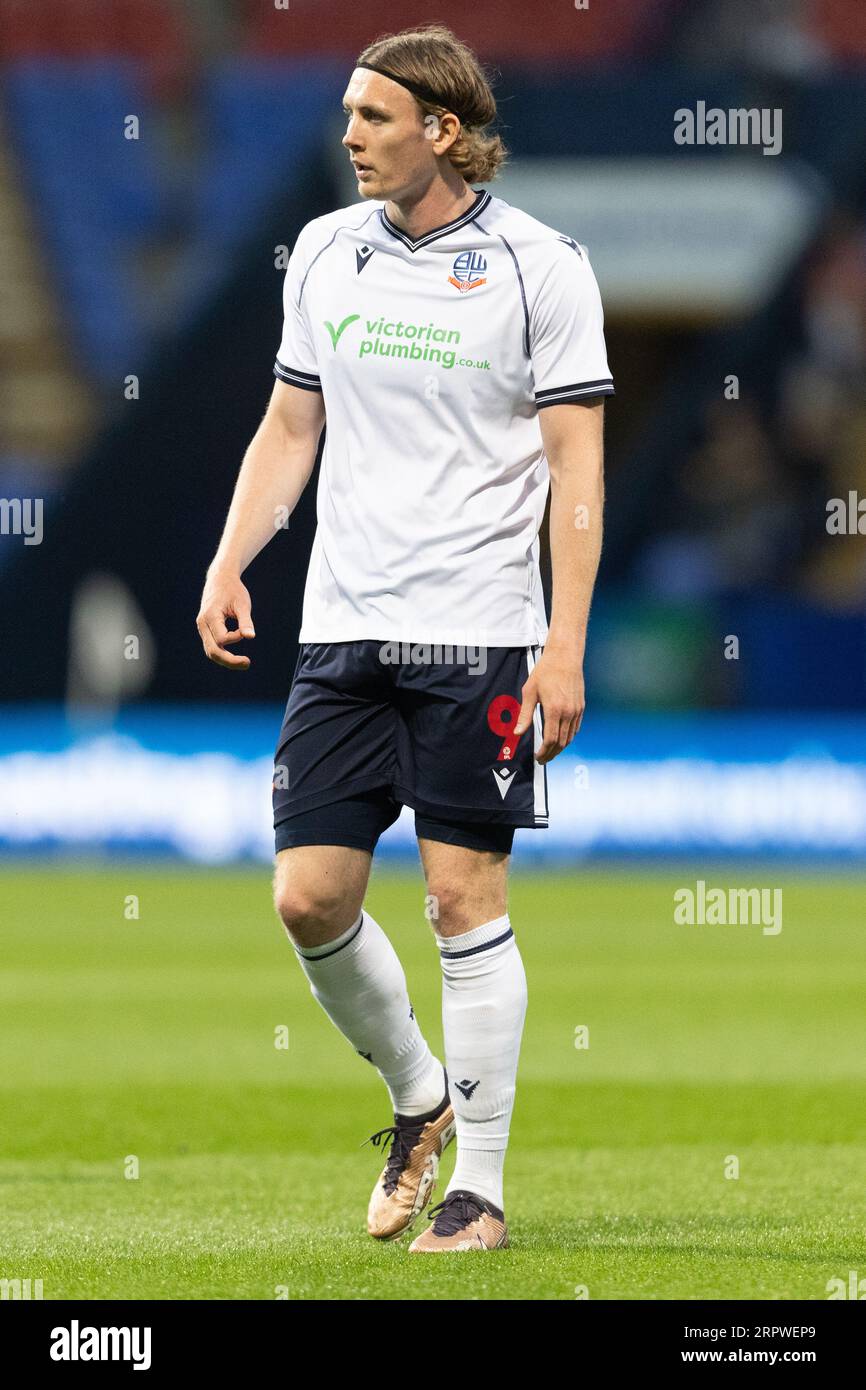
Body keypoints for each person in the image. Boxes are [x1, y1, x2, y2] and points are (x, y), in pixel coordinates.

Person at [196, 23, 613, 1253]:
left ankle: (477, 1188)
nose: (347, 137)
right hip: (343, 626)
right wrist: (232, 555)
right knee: (307, 897)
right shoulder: (325, 250)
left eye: (371, 118)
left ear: (441, 128)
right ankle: (418, 1098)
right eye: (345, 115)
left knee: (457, 896)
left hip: (481, 634)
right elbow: (288, 425)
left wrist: (565, 639)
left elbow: (572, 459)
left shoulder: (541, 266)